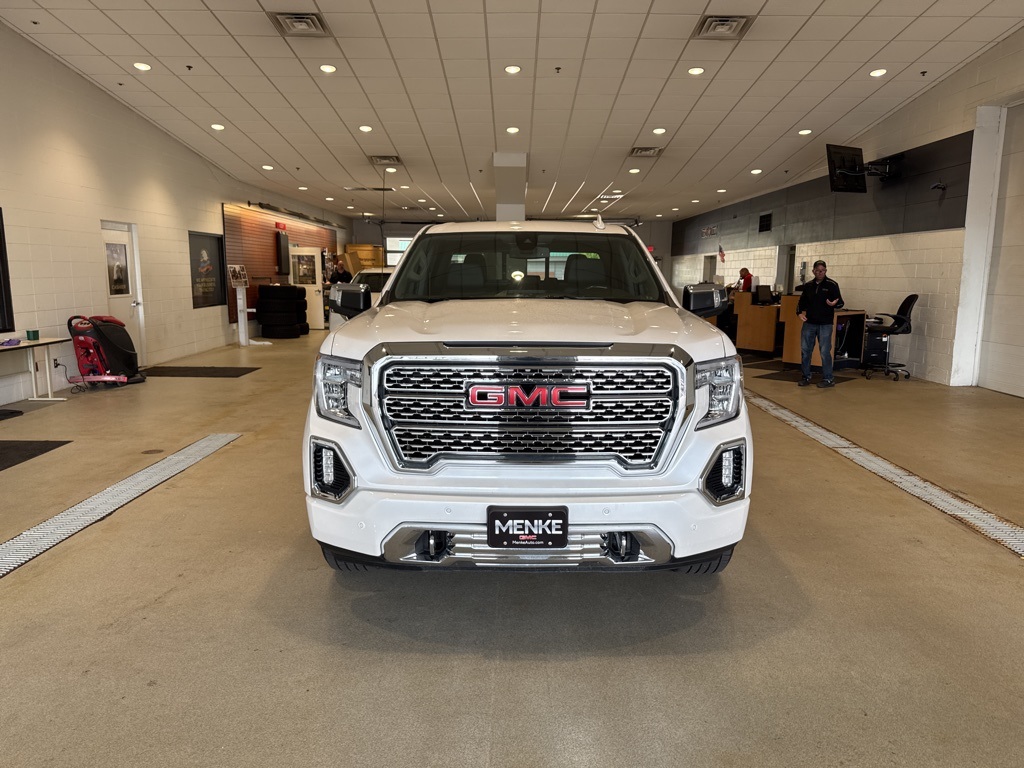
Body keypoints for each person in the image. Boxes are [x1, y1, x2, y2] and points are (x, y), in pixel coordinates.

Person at [797, 259, 844, 388]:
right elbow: (801, 302)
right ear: (813, 271)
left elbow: (840, 303)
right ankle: (806, 376)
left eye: (822, 271)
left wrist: (835, 304)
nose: (820, 273)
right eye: (817, 270)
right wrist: (799, 313)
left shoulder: (832, 285)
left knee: (824, 351)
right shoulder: (808, 286)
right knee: (806, 351)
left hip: (825, 324)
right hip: (809, 323)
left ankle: (828, 379)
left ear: (826, 271)